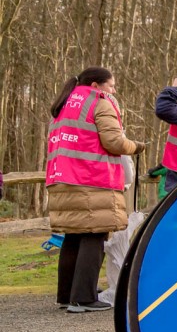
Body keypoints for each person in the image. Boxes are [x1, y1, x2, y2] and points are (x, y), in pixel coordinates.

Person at [46, 66, 146, 313]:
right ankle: (84, 298)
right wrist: (136, 146)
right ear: (95, 86)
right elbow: (113, 141)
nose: (113, 90)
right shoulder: (99, 103)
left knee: (73, 235)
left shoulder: (62, 106)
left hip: (62, 178)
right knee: (94, 233)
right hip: (91, 179)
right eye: (111, 85)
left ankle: (66, 295)